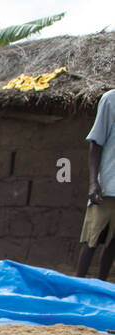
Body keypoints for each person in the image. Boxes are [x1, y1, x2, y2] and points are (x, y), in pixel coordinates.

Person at [76, 87, 115, 282]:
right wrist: (93, 182)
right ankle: (78, 284)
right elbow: (95, 143)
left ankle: (100, 285)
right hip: (108, 185)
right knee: (91, 239)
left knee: (113, 245)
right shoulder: (110, 100)